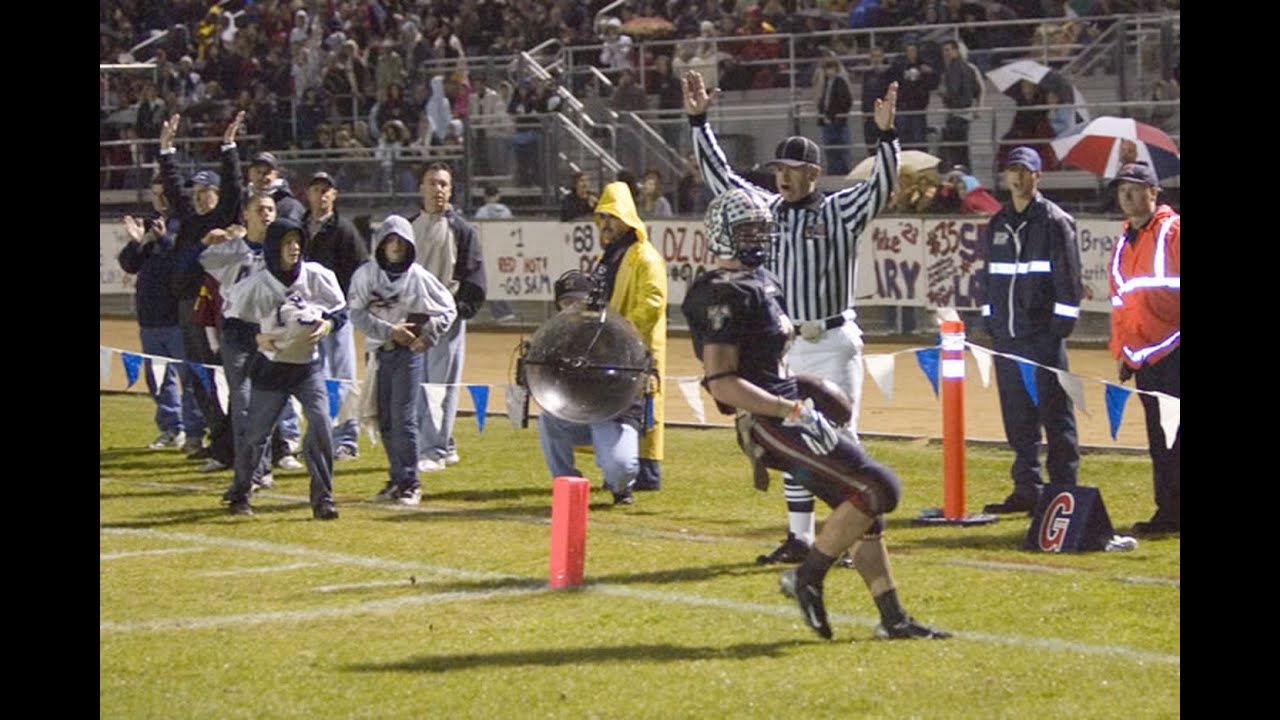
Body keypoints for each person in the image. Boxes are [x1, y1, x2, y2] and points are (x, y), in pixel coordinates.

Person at [682, 187, 950, 641]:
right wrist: (790, 408)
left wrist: (808, 393)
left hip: (791, 408)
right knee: (879, 487)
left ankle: (893, 619)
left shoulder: (764, 281)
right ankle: (807, 577)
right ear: (724, 234)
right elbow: (723, 382)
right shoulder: (720, 292)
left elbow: (773, 364)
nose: (759, 238)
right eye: (748, 230)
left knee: (868, 508)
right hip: (767, 420)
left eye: (762, 229)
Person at [685, 69, 900, 565]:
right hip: (784, 345)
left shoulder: (841, 212)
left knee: (838, 436)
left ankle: (847, 535)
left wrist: (886, 137)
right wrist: (699, 123)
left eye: (792, 168)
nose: (782, 176)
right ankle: (800, 538)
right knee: (789, 441)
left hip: (831, 338)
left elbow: (880, 187)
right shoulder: (766, 211)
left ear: (813, 174)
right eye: (779, 167)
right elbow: (722, 181)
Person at [977, 146, 1083, 515]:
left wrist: (1057, 331)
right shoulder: (997, 223)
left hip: (1042, 339)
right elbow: (987, 280)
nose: (1019, 178)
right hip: (1007, 339)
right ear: (1006, 176)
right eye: (1013, 171)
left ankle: (1062, 491)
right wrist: (991, 324)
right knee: (1018, 418)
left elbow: (1069, 281)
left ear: (1038, 177)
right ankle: (1027, 488)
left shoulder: (1054, 221)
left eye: (1026, 171)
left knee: (1055, 416)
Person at [220, 217, 347, 519]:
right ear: (273, 247)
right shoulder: (256, 284)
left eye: (297, 242)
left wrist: (327, 325)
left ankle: (323, 499)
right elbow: (231, 323)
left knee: (321, 426)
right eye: (287, 243)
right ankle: (240, 493)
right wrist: (256, 337)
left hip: (308, 368)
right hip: (272, 371)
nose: (294, 248)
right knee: (255, 436)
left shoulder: (316, 276)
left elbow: (341, 311)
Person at [348, 215, 458, 506]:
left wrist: (428, 336)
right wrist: (388, 331)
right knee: (383, 417)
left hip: (407, 355)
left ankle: (410, 482)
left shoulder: (419, 277)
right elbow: (356, 312)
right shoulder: (367, 275)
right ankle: (397, 477)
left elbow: (448, 308)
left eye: (401, 241)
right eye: (390, 241)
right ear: (381, 244)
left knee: (403, 417)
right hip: (379, 352)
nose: (395, 247)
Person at [158, 110, 243, 472]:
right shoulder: (190, 220)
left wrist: (228, 148)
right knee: (199, 376)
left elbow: (236, 189)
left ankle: (232, 442)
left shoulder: (222, 218)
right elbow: (173, 187)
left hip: (218, 310)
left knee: (223, 374)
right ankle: (218, 438)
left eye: (207, 190)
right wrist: (166, 151)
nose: (199, 196)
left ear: (217, 194)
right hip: (188, 306)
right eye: (197, 191)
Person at [199, 193, 299, 493]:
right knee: (243, 404)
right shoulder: (231, 250)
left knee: (265, 404)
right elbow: (198, 267)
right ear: (246, 214)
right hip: (237, 332)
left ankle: (262, 468)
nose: (267, 214)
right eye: (260, 209)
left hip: (269, 333)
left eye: (271, 209)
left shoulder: (279, 252)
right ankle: (253, 470)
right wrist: (207, 242)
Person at [1107, 162, 1180, 536]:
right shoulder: (1123, 242)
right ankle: (1168, 511)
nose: (1128, 196)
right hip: (1145, 357)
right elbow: (1121, 302)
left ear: (1154, 192)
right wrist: (1124, 351)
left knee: (1176, 438)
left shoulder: (1173, 231)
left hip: (1175, 351)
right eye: (1122, 190)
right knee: (1159, 439)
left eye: (1135, 188)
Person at [535, 270, 644, 506]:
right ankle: (566, 484)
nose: (572, 308)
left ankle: (621, 488)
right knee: (548, 418)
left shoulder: (616, 333)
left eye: (578, 301)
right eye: (566, 302)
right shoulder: (557, 337)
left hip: (614, 412)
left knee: (621, 468)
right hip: (576, 410)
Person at [407, 162, 487, 472]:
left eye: (443, 184)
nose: (438, 189)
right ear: (421, 188)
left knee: (440, 386)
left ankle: (435, 450)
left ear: (450, 190)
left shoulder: (462, 230)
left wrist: (459, 311)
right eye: (432, 183)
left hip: (445, 319)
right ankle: (441, 443)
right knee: (416, 386)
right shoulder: (408, 225)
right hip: (413, 320)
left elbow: (474, 276)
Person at [592, 181, 668, 491]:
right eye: (602, 217)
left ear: (626, 217)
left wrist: (620, 334)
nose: (607, 224)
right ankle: (620, 467)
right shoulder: (610, 257)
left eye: (612, 216)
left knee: (644, 411)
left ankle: (645, 473)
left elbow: (651, 304)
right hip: (613, 347)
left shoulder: (644, 257)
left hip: (637, 349)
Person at [302, 171, 370, 461]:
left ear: (334, 195)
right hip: (305, 314)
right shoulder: (300, 227)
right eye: (316, 189)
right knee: (313, 378)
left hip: (337, 314)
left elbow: (362, 268)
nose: (322, 195)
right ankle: (318, 437)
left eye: (327, 190)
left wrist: (348, 303)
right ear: (308, 194)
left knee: (342, 378)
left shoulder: (343, 228)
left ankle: (346, 440)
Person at [118, 207, 186, 451]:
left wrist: (164, 240)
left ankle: (195, 430)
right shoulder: (147, 235)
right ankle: (171, 428)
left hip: (177, 320)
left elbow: (181, 264)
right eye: (155, 193)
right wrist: (137, 243)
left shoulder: (182, 226)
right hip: (149, 321)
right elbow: (129, 265)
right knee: (158, 379)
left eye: (163, 192)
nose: (160, 199)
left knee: (191, 378)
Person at [888, 35, 937, 151]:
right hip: (903, 106)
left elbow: (932, 85)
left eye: (913, 50)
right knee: (903, 139)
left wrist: (930, 73)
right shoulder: (898, 65)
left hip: (918, 107)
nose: (911, 53)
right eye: (908, 50)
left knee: (919, 138)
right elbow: (892, 80)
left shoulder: (924, 64)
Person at [938, 40, 980, 172]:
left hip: (957, 113)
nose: (946, 53)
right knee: (962, 150)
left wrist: (944, 93)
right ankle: (966, 174)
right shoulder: (967, 67)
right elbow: (976, 90)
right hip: (965, 113)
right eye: (944, 50)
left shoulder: (954, 68)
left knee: (956, 151)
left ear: (956, 51)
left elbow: (954, 91)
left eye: (948, 49)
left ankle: (960, 174)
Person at [813, 54, 854, 176]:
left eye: (831, 68)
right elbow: (821, 100)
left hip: (838, 122)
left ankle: (844, 172)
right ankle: (833, 172)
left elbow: (846, 101)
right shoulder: (824, 84)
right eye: (827, 68)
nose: (829, 71)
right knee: (830, 151)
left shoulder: (841, 82)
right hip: (826, 122)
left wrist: (835, 115)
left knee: (841, 149)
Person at [247, 151, 306, 222]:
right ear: (250, 173)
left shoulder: (290, 206)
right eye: (258, 171)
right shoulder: (240, 201)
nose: (261, 176)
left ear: (276, 175)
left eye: (267, 173)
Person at [860, 46, 893, 155]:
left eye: (878, 56)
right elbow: (865, 95)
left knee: (886, 146)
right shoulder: (867, 75)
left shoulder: (889, 74)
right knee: (871, 146)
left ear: (883, 57)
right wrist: (864, 112)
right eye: (874, 56)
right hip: (870, 116)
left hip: (885, 116)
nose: (876, 59)